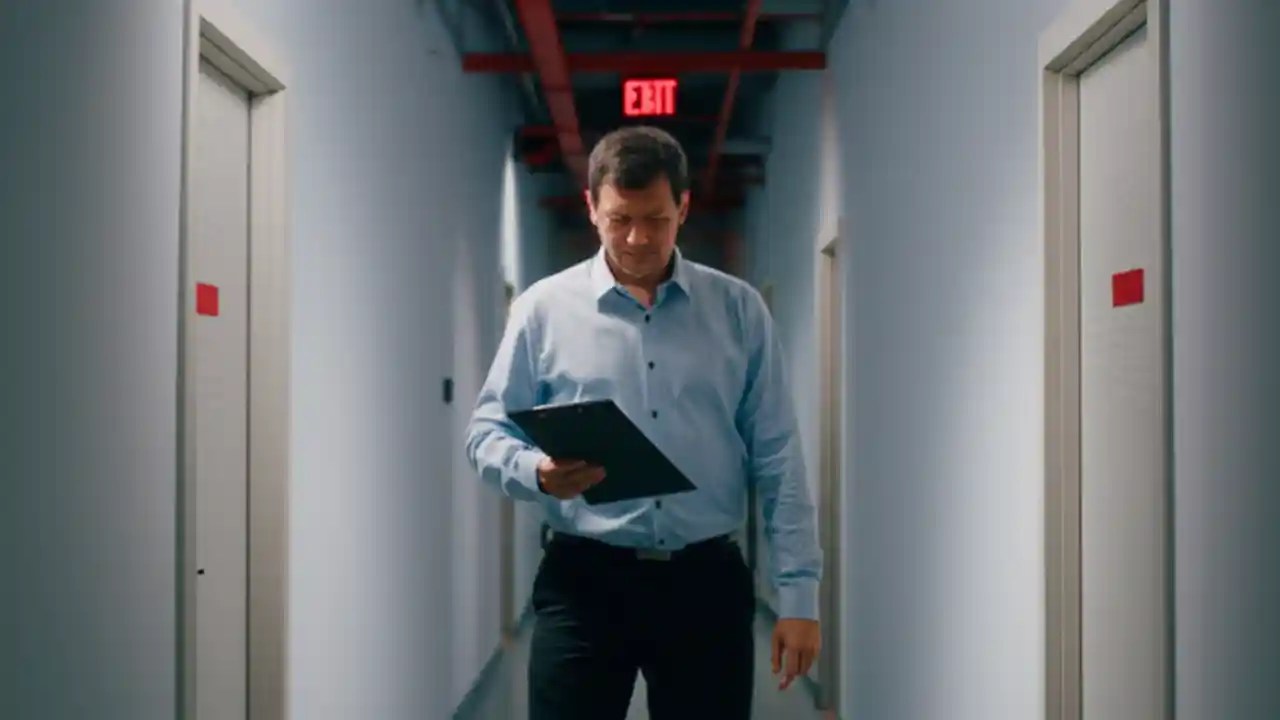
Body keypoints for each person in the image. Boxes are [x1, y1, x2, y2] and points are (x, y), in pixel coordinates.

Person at [464, 125, 822, 719]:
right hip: (584, 583)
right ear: (591, 207)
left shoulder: (738, 310)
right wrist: (536, 470)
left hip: (705, 585)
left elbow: (777, 454)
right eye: (619, 219)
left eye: (656, 219)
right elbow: (484, 434)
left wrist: (800, 595)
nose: (637, 238)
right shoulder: (542, 311)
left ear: (684, 206)